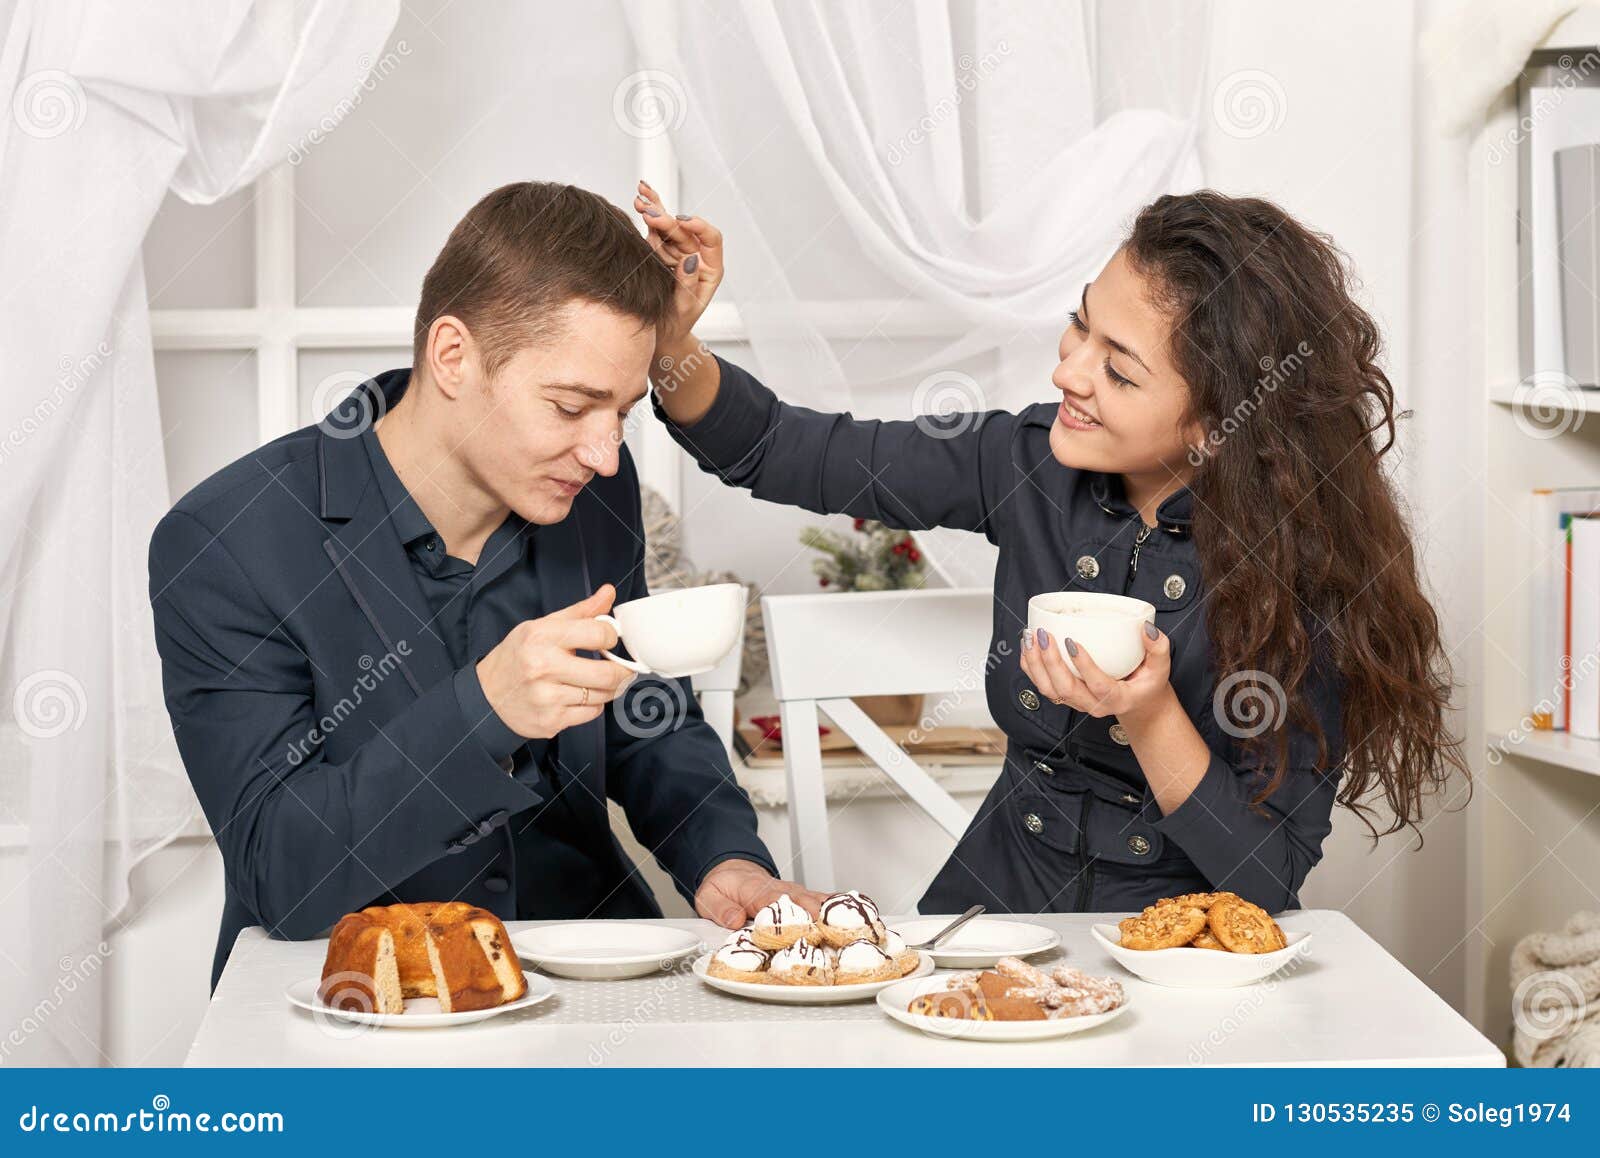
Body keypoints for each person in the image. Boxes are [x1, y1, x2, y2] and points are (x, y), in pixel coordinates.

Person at [634, 179, 1470, 915]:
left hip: (1174, 959)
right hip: (991, 916)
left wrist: (1147, 714)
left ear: (1218, 426)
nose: (1070, 372)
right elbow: (787, 448)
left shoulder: (1305, 572)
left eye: (1121, 371)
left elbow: (1266, 878)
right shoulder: (1023, 463)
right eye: (1081, 327)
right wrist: (672, 348)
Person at [149, 182, 823, 989]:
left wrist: (725, 855)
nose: (606, 454)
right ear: (453, 356)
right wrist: (484, 711)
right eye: (572, 406)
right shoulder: (227, 540)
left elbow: (646, 711)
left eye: (622, 412)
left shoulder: (593, 491)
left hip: (592, 985)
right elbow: (278, 876)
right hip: (361, 1002)